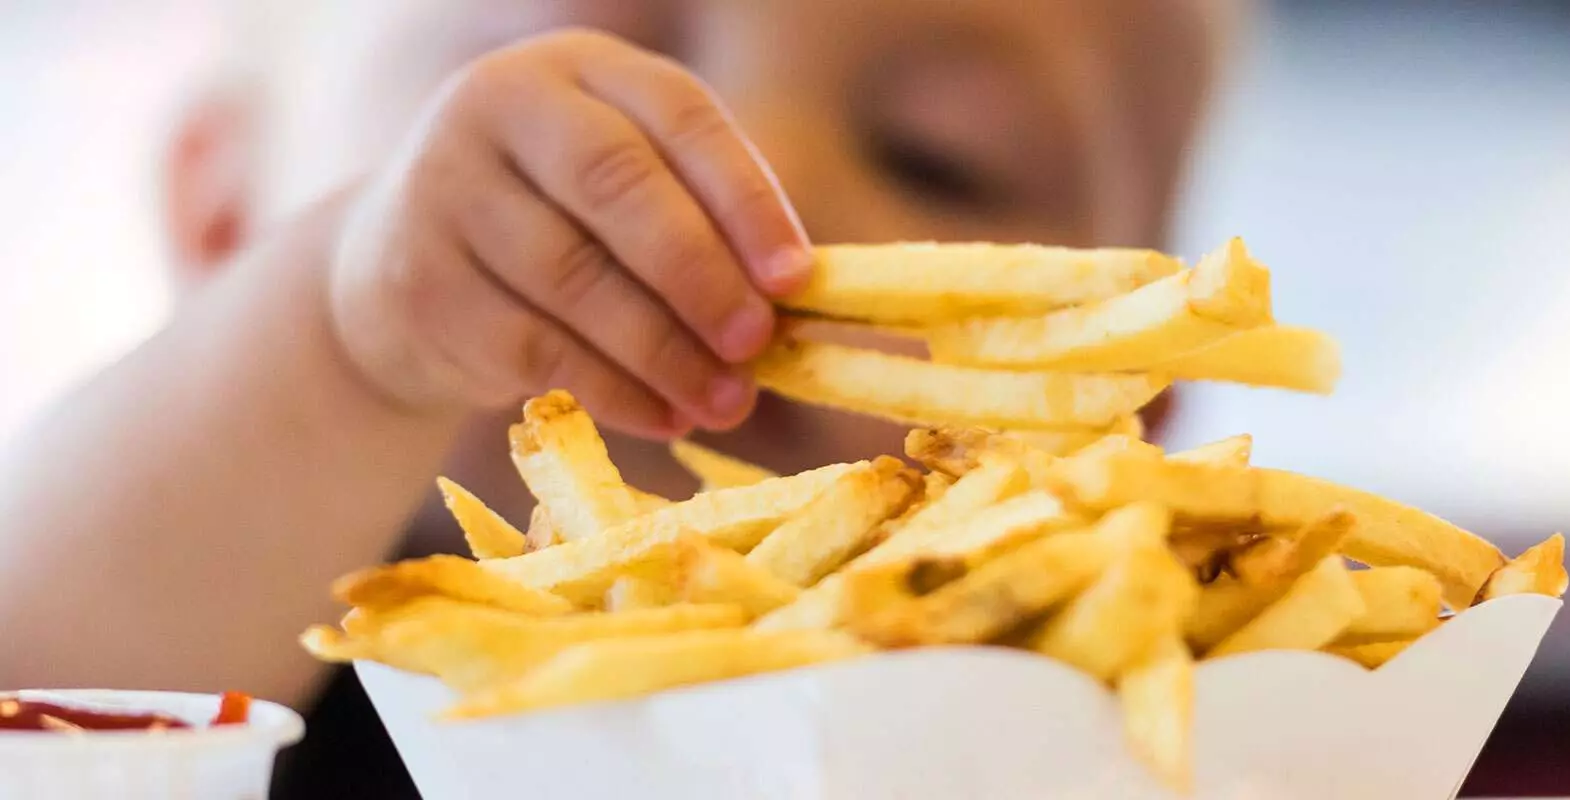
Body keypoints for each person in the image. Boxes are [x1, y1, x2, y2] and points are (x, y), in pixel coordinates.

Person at [0, 1, 1230, 795]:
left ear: (1132, 391)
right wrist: (341, 329)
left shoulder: (1154, 731)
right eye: (550, 93)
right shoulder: (202, 614)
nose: (752, 180)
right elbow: (37, 680)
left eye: (936, 155)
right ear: (224, 227)